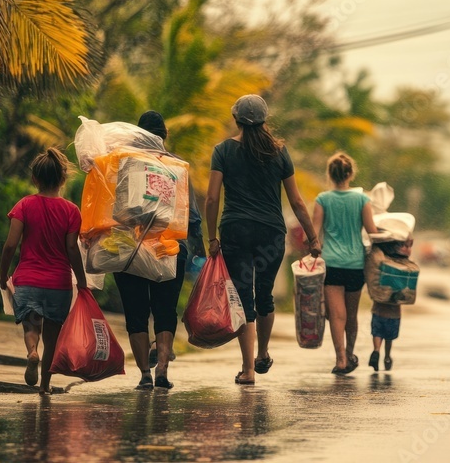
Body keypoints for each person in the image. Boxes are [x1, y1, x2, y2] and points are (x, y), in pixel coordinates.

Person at [205, 94, 320, 386]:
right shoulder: (280, 152)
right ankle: (263, 353)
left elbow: (212, 198)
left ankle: (247, 370)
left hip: (235, 230)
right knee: (264, 295)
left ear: (236, 119)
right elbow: (296, 200)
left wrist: (212, 237)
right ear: (265, 120)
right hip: (270, 232)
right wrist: (313, 237)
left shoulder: (223, 151)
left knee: (244, 298)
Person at [114, 110, 205, 390]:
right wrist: (198, 246)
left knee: (136, 312)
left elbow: (111, 208)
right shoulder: (177, 167)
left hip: (131, 250)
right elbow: (191, 216)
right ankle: (162, 370)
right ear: (164, 136)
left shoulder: (123, 163)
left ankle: (144, 374)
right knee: (165, 310)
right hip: (170, 250)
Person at [0, 148, 87, 395]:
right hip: (58, 284)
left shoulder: (25, 205)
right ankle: (45, 386)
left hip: (27, 280)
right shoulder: (71, 211)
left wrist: (2, 275)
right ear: (63, 179)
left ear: (35, 179)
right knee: (53, 338)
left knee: (31, 328)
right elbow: (72, 248)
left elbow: (10, 245)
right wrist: (81, 281)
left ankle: (31, 352)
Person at [313, 153, 379, 375]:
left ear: (330, 175)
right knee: (351, 315)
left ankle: (340, 358)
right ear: (350, 174)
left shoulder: (322, 199)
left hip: (331, 264)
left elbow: (314, 233)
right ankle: (350, 353)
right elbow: (372, 232)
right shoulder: (362, 200)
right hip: (355, 264)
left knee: (337, 315)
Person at [369, 238, 412, 372]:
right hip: (394, 310)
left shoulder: (380, 259)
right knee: (389, 335)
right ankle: (387, 356)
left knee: (377, 331)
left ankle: (376, 350)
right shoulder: (400, 262)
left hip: (379, 306)